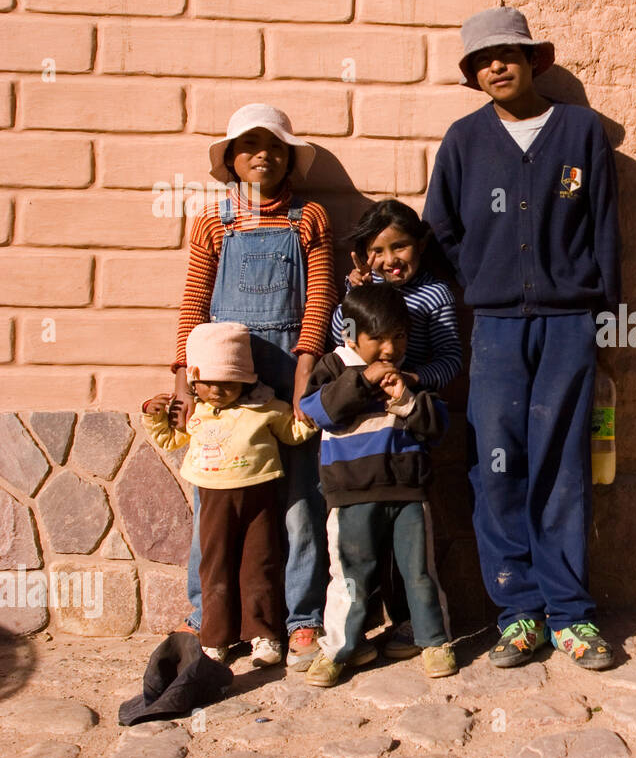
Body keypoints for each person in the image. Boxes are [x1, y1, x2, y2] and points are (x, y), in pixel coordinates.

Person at [422, 6, 620, 670]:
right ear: (474, 75)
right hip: (498, 329)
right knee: (498, 465)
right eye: (482, 60)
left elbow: (604, 230)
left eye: (507, 53)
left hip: (569, 326)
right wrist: (482, 282)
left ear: (535, 59)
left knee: (564, 467)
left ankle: (570, 616)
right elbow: (441, 230)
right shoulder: (464, 141)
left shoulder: (582, 133)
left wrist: (603, 317)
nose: (496, 66)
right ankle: (519, 613)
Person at [170, 103, 335, 671]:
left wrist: (305, 368)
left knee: (299, 499)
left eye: (274, 145)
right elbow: (195, 299)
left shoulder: (310, 216)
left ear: (289, 157)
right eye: (249, 145)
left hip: (291, 369)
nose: (262, 154)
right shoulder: (213, 221)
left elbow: (320, 297)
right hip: (221, 376)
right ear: (231, 160)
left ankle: (301, 621)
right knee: (212, 498)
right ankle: (207, 616)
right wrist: (184, 374)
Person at [300, 284, 456, 686]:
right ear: (351, 335)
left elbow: (437, 427)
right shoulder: (333, 368)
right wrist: (362, 380)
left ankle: (435, 641)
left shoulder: (408, 377)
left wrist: (406, 399)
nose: (389, 349)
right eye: (378, 339)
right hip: (351, 495)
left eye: (398, 337)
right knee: (350, 576)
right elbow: (315, 410)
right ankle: (339, 649)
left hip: (407, 493)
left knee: (419, 572)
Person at [328, 199, 463, 660]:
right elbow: (338, 342)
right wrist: (353, 293)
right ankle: (359, 632)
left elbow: (451, 359)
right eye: (377, 250)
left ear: (420, 244)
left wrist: (412, 382)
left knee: (412, 540)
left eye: (399, 246)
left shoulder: (436, 295)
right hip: (362, 439)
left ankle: (415, 628)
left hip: (409, 426)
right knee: (363, 544)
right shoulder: (360, 293)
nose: (389, 260)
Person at [143, 322, 317, 665]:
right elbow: (169, 440)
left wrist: (314, 411)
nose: (218, 390)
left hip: (259, 503)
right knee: (215, 568)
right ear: (194, 380)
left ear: (246, 378)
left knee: (260, 564)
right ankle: (215, 638)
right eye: (209, 382)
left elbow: (294, 432)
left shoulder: (266, 407)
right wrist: (155, 415)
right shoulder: (195, 416)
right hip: (214, 505)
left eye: (228, 382)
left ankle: (265, 636)